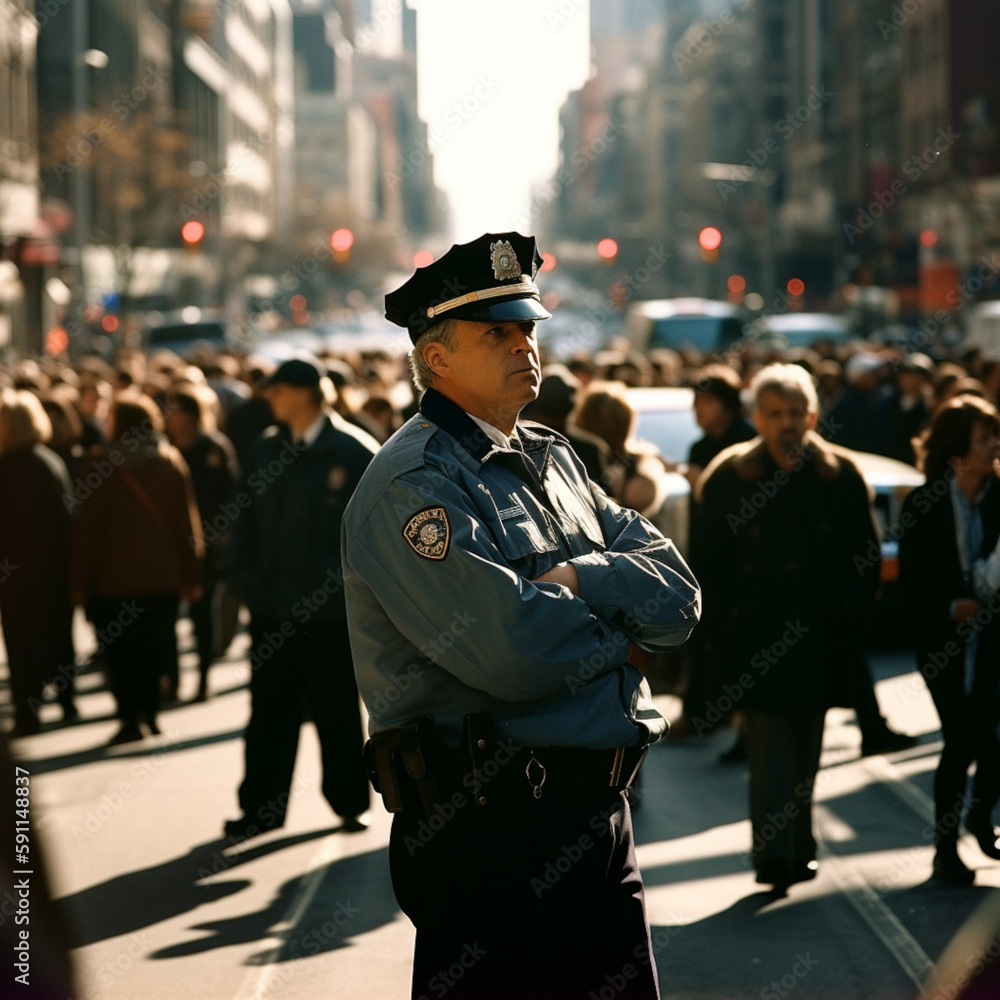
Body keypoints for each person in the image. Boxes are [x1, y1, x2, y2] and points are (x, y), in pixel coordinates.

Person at [342, 232, 701, 999]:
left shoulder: (552, 456)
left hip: (598, 818)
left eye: (528, 328)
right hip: (490, 836)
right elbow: (511, 650)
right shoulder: (414, 481)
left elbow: (679, 597)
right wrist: (622, 636)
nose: (523, 345)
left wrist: (579, 579)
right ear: (436, 358)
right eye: (496, 333)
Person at [693, 363, 881, 890]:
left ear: (813, 415)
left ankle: (800, 844)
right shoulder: (730, 478)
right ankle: (775, 855)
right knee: (771, 749)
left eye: (796, 412)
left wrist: (849, 616)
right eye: (775, 413)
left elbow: (863, 557)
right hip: (756, 637)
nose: (787, 423)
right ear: (757, 417)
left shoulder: (840, 475)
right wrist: (724, 627)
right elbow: (707, 563)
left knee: (807, 751)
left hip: (821, 638)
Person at [225, 355, 377, 839]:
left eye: (278, 389)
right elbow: (243, 520)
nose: (269, 397)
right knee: (270, 713)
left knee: (337, 711)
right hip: (273, 609)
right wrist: (249, 581)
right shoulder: (266, 449)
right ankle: (261, 809)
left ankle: (351, 802)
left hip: (332, 615)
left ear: (307, 392)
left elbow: (374, 537)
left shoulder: (353, 452)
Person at [898, 394, 1000, 885]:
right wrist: (949, 605)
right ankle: (945, 848)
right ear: (958, 448)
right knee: (961, 740)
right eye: (984, 438)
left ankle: (980, 815)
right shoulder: (925, 502)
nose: (995, 446)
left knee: (990, 737)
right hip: (943, 643)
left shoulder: (999, 495)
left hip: (992, 641)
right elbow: (913, 583)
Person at [71, 391, 204, 745]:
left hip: (112, 581)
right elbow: (186, 527)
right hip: (161, 577)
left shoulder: (99, 462)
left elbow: (87, 531)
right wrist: (191, 576)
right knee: (154, 648)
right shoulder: (169, 460)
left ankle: (129, 716)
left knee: (120, 653)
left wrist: (79, 583)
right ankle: (150, 711)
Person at [0, 390, 77, 736]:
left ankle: (28, 713)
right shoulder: (49, 463)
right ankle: (66, 699)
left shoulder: (16, 466)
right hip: (48, 571)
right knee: (57, 639)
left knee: (23, 646)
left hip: (21, 576)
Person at [163, 383, 240, 701]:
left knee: (202, 613)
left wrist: (221, 537)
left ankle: (204, 678)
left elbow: (232, 495)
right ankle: (170, 680)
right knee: (166, 614)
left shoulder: (214, 447)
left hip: (206, 543)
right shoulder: (165, 449)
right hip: (169, 543)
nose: (170, 417)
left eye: (176, 410)